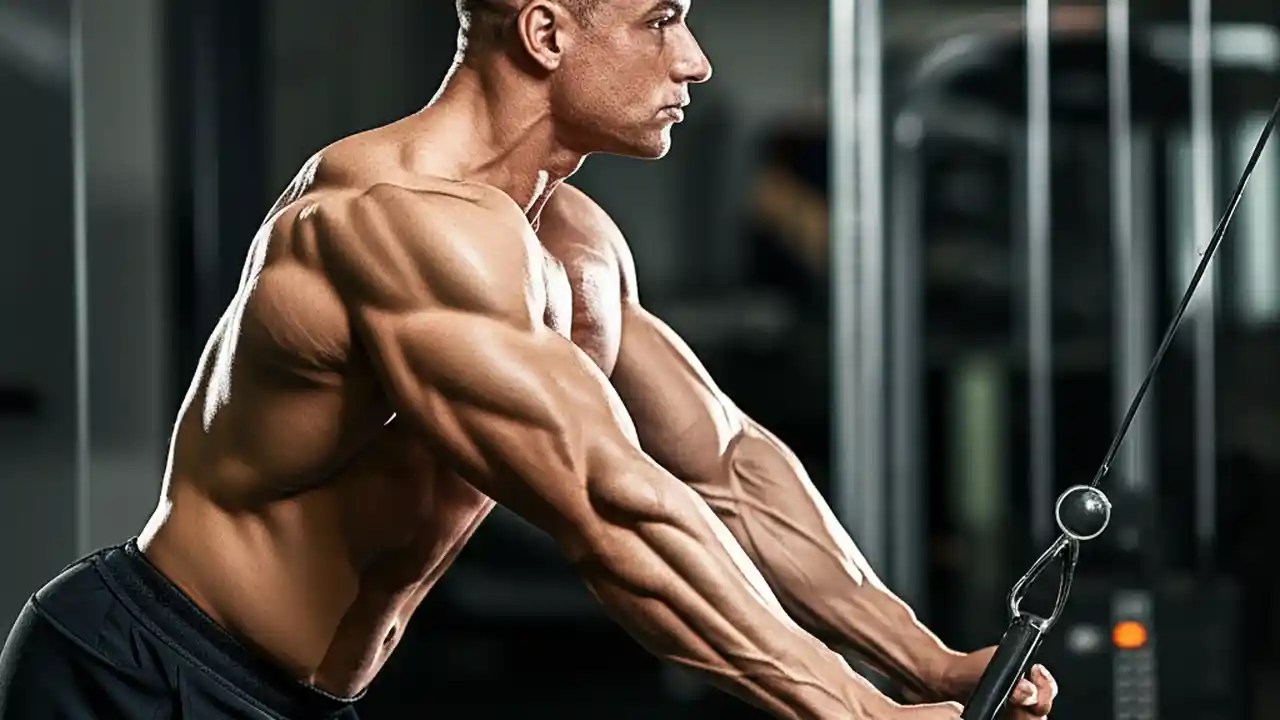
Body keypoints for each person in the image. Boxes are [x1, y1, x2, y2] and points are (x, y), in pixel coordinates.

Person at [0, 1, 1057, 718]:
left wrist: (923, 659)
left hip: (304, 693)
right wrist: (846, 707)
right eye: (661, 20)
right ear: (547, 31)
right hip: (145, 672)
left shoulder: (572, 238)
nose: (692, 60)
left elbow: (723, 466)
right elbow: (611, 506)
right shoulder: (396, 223)